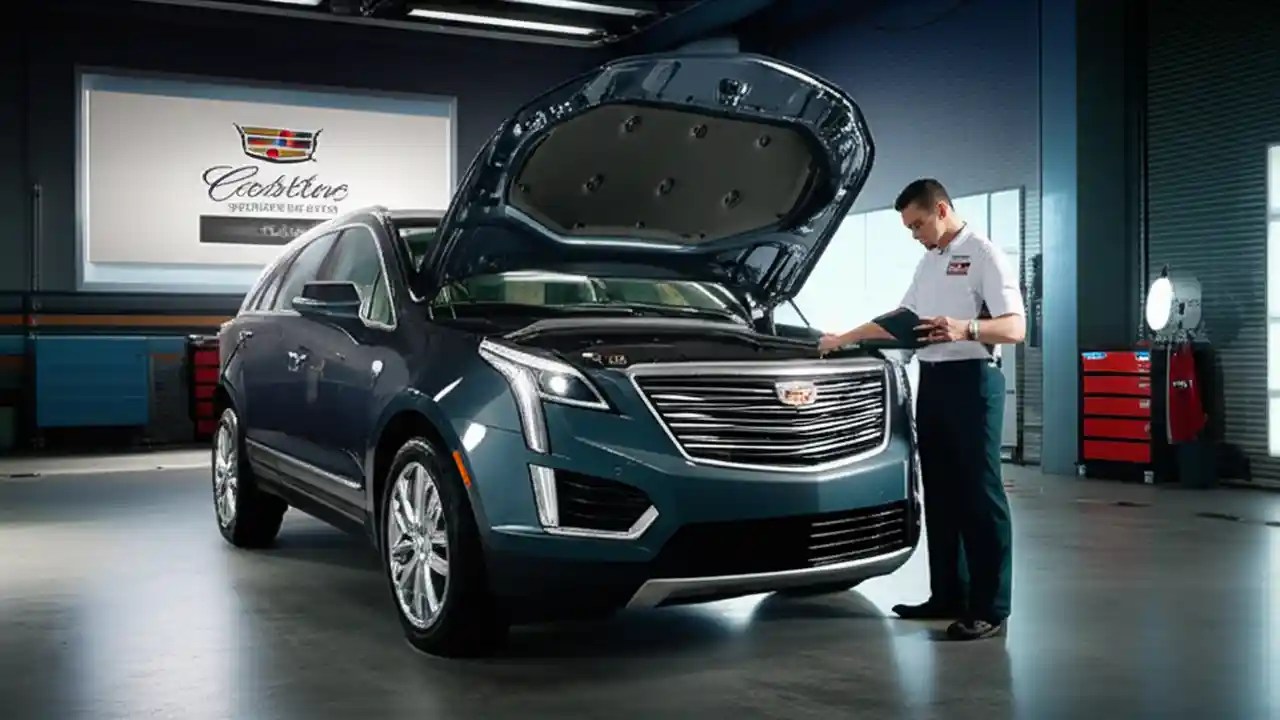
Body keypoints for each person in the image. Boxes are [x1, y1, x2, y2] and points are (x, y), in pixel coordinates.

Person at [818, 179, 1026, 641]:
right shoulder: (928, 262)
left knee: (979, 494)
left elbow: (1015, 327)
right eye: (909, 227)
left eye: (917, 224)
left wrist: (965, 327)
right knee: (942, 495)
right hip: (931, 382)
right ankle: (948, 594)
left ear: (943, 210)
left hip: (973, 384)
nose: (914, 234)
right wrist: (844, 339)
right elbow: (901, 319)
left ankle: (991, 608)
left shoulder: (985, 254)